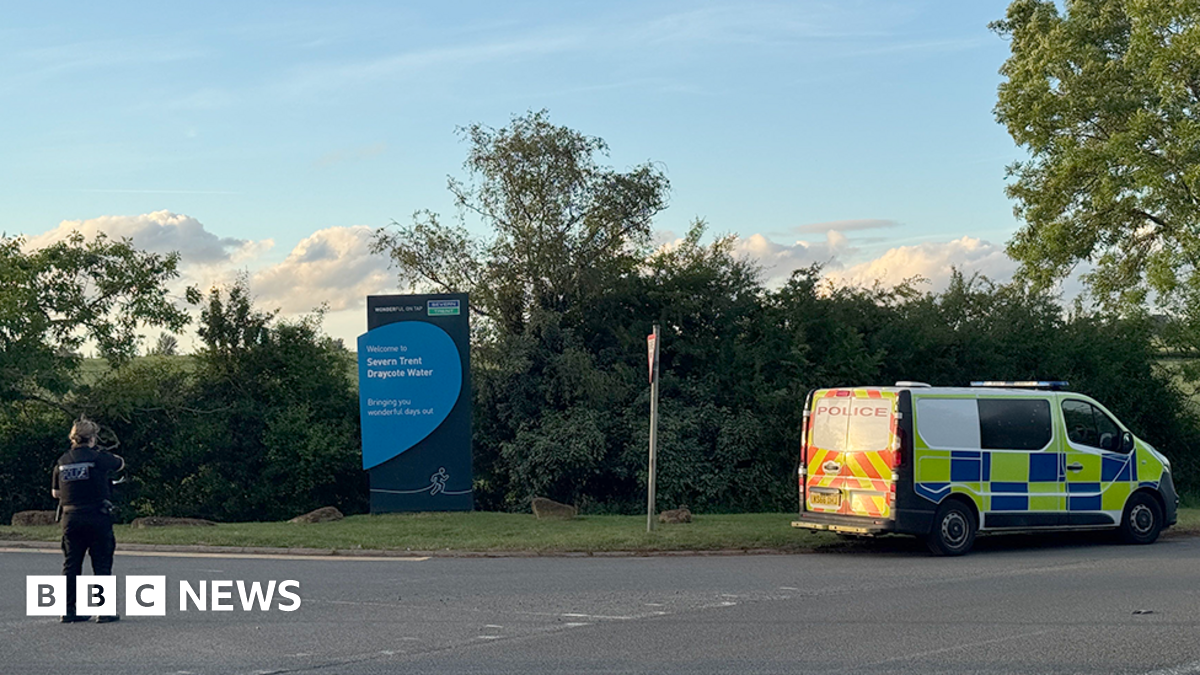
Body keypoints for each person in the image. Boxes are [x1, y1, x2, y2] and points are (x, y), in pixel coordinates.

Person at [51, 417, 124, 624]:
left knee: (71, 564)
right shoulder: (98, 457)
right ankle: (104, 610)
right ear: (92, 437)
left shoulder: (63, 460)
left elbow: (56, 493)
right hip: (96, 516)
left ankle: (69, 610)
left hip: (70, 518)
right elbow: (120, 464)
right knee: (101, 563)